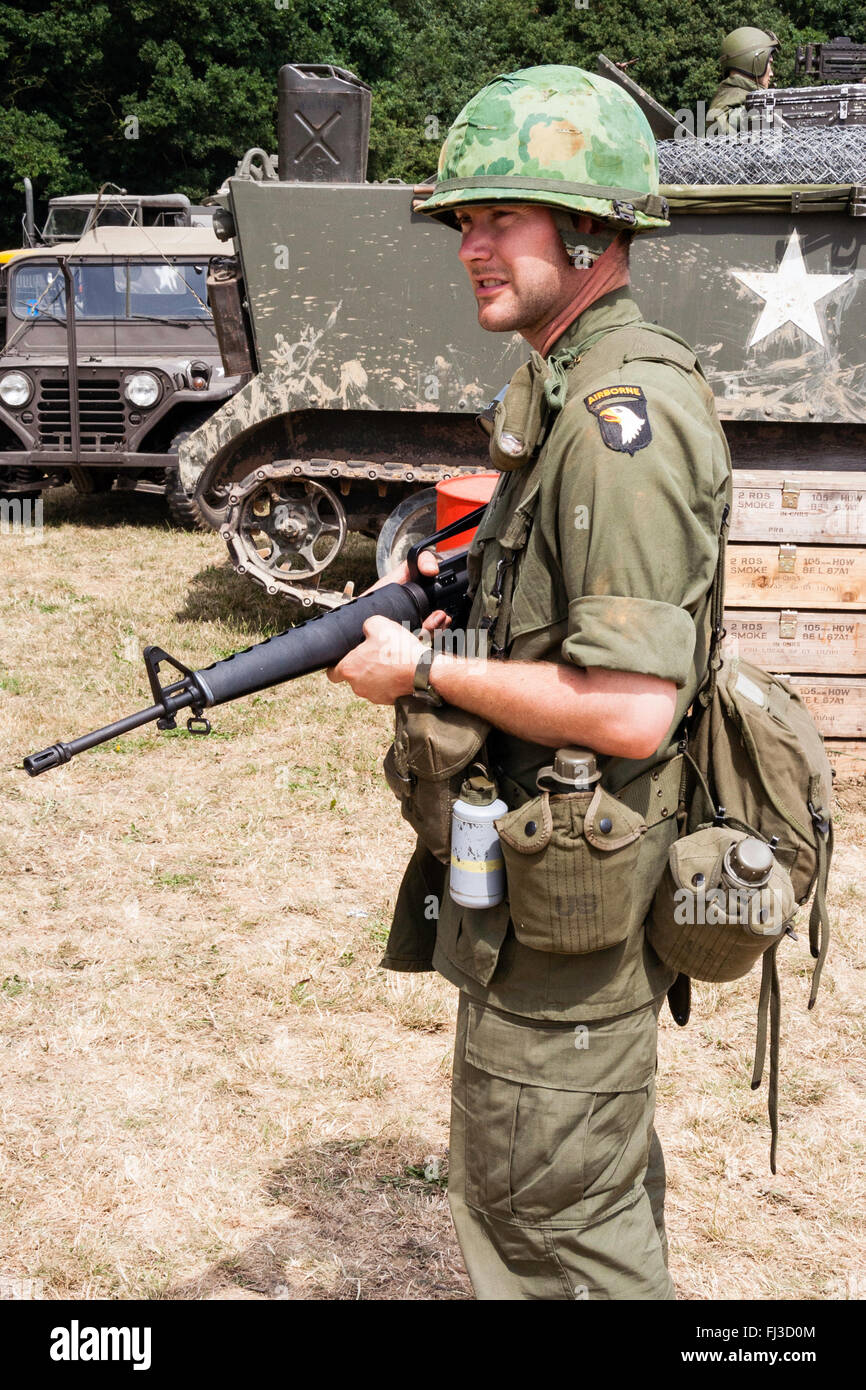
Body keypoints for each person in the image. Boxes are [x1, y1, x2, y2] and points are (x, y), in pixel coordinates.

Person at [328, 64, 731, 1300]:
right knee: (567, 1193)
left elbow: (627, 707)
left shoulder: (618, 423)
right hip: (550, 895)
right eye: (463, 222)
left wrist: (425, 670)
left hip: (574, 917)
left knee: (545, 1220)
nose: (472, 248)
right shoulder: (563, 392)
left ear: (591, 232)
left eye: (498, 217)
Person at [707, 27, 780, 134]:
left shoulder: (737, 96)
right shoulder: (727, 109)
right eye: (769, 63)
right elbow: (716, 120)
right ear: (754, 61)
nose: (771, 73)